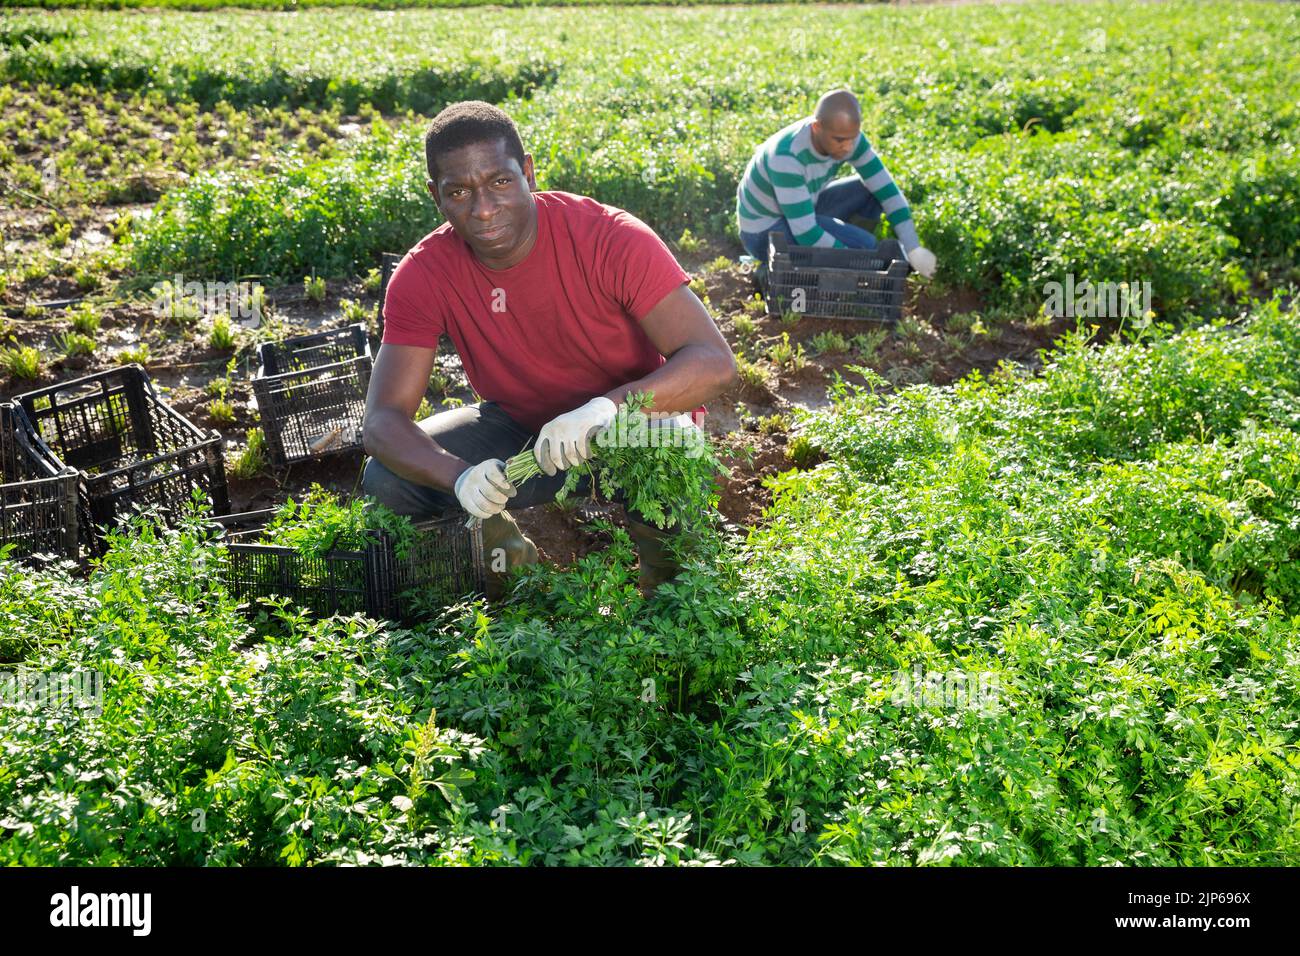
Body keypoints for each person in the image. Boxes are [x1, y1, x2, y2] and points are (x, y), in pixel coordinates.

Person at [361, 101, 737, 597]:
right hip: (524, 429)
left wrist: (605, 409)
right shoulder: (425, 274)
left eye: (499, 182)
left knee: (671, 460)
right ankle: (513, 575)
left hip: (630, 425)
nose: (483, 208)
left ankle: (667, 598)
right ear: (436, 196)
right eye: (458, 192)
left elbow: (714, 363)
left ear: (528, 172)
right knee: (389, 479)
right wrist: (460, 477)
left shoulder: (609, 237)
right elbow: (383, 422)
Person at [736, 88, 937, 277]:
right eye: (840, 140)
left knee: (869, 192)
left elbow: (887, 190)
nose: (848, 147)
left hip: (803, 211)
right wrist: (856, 257)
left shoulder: (848, 137)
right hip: (764, 231)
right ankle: (772, 268)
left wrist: (913, 248)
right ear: (817, 127)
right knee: (865, 247)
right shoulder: (786, 156)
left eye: (853, 138)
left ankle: (840, 257)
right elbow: (806, 233)